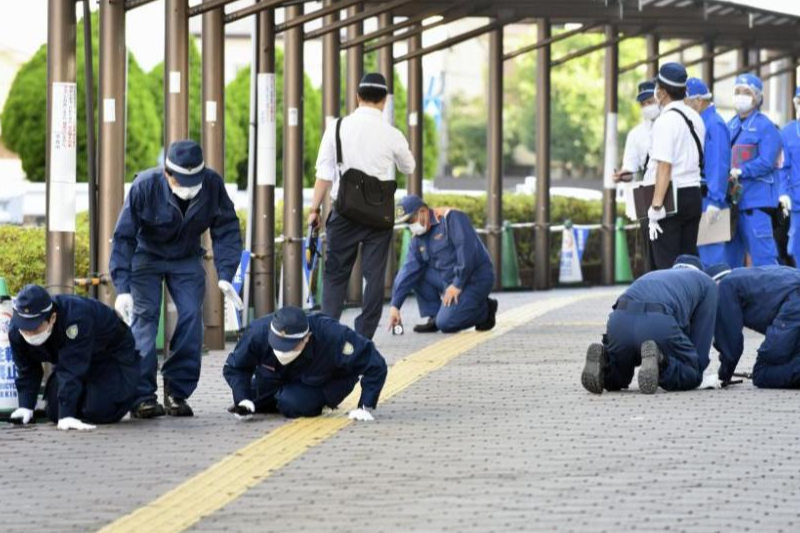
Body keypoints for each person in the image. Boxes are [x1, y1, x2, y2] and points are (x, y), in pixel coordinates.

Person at [110, 139, 243, 419]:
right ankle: (142, 396)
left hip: (185, 258)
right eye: (183, 181)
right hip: (145, 257)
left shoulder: (212, 184)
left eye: (194, 180)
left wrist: (227, 274)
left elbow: (227, 227)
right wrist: (122, 288)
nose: (189, 187)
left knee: (191, 317)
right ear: (167, 173)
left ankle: (176, 390)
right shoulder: (144, 187)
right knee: (144, 318)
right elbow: (123, 237)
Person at [309, 72, 416, 340]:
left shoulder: (336, 127)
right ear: (384, 101)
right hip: (378, 217)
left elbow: (324, 174)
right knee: (374, 277)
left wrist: (313, 210)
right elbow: (409, 166)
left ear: (358, 97)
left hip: (344, 212)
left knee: (335, 275)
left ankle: (328, 334)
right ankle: (363, 335)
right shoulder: (392, 134)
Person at [7, 285, 138, 430]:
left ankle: (131, 388)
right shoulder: (16, 330)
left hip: (109, 355)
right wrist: (26, 407)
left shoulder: (76, 318)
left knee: (99, 411)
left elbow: (71, 368)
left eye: (35, 327)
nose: (29, 334)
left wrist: (67, 414)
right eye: (25, 327)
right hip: (72, 359)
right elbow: (27, 368)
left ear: (53, 318)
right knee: (53, 411)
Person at [581, 255, 717, 395]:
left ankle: (605, 365)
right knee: (693, 373)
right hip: (657, 324)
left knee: (619, 375)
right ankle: (660, 362)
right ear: (700, 270)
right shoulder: (706, 282)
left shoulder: (655, 275)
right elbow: (700, 344)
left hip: (619, 321)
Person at [223, 306, 387, 421]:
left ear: (306, 338)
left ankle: (295, 400)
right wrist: (242, 399)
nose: (281, 352)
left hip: (323, 380)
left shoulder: (333, 336)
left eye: (288, 347)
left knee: (291, 402)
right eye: (277, 345)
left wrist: (365, 406)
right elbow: (236, 367)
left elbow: (375, 365)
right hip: (276, 377)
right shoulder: (258, 333)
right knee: (248, 400)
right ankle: (274, 398)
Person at [387, 195, 498, 334]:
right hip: (448, 281)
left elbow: (467, 252)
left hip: (474, 279)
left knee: (447, 324)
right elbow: (408, 270)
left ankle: (486, 310)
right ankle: (434, 315)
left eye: (411, 220)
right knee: (415, 273)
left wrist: (457, 284)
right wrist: (395, 306)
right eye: (407, 223)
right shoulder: (417, 239)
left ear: (423, 211)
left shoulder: (451, 218)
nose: (411, 225)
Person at [645, 63, 706, 270]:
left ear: (661, 92)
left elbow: (665, 166)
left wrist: (655, 206)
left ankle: (670, 303)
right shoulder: (696, 118)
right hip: (693, 195)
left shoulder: (665, 121)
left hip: (670, 198)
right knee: (687, 264)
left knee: (666, 267)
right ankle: (690, 302)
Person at [706, 263, 800, 389]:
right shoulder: (746, 276)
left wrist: (723, 376)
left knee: (761, 372)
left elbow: (731, 345)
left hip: (794, 306)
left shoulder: (724, 287)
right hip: (793, 303)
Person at [726, 73, 783, 267]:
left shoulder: (765, 127)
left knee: (764, 259)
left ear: (757, 97)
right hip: (733, 205)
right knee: (731, 260)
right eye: (737, 91)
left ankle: (776, 296)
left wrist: (741, 171)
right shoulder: (730, 125)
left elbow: (767, 161)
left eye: (747, 92)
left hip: (756, 205)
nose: (741, 96)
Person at [684, 77, 732, 266]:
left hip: (711, 200)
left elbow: (718, 164)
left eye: (686, 100)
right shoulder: (702, 121)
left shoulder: (713, 124)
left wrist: (715, 200)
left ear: (698, 100)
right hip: (702, 198)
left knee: (712, 262)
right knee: (703, 259)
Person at [615, 80, 659, 270]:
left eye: (650, 101)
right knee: (648, 244)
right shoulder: (636, 134)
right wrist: (624, 175)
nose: (647, 107)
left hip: (671, 186)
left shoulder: (673, 123)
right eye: (643, 104)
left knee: (667, 243)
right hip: (645, 190)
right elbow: (630, 167)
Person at [779, 87, 800, 263]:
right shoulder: (788, 133)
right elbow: (782, 168)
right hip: (797, 201)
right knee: (795, 247)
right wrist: (783, 192)